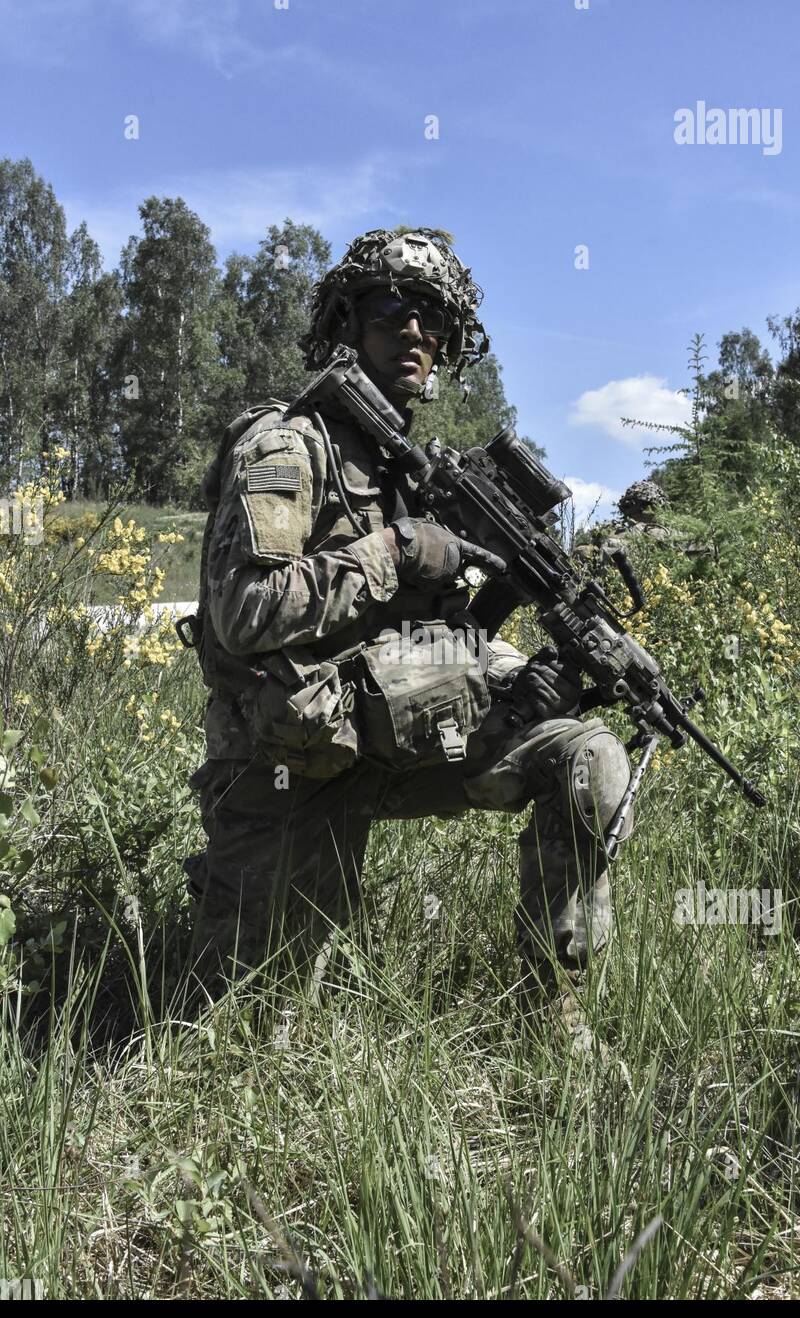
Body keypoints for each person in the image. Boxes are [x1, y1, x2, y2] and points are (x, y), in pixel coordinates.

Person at [181, 228, 634, 1031]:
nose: (418, 330)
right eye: (395, 307)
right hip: (289, 764)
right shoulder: (288, 444)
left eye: (437, 318)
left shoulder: (413, 475)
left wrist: (525, 675)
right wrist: (393, 549)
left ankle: (551, 1009)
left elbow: (431, 633)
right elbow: (244, 610)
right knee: (252, 1028)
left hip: (399, 741)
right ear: (347, 322)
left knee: (589, 760)